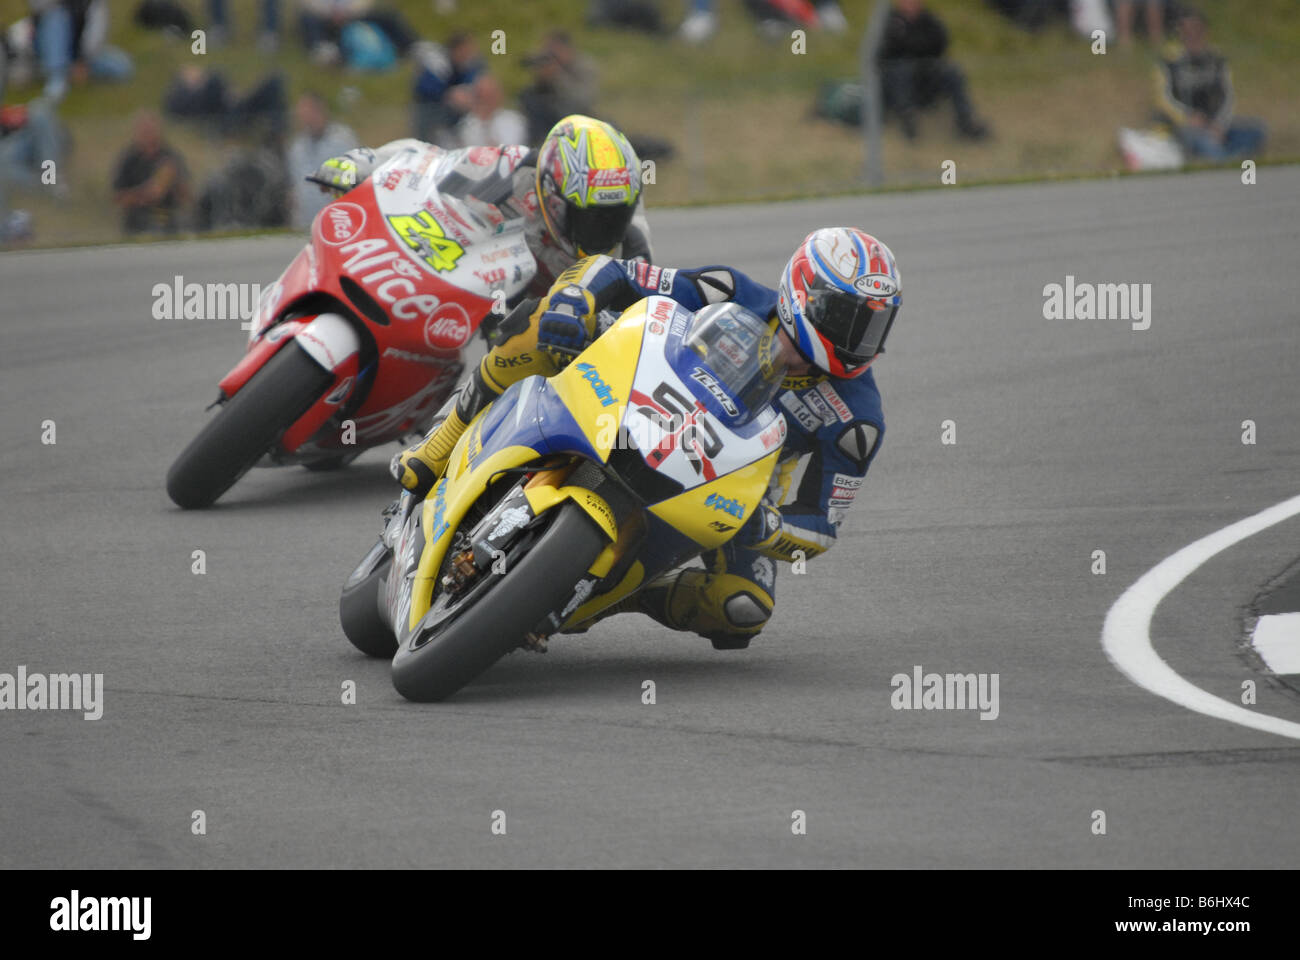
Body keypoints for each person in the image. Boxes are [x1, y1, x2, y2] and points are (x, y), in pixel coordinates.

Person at [393, 226, 897, 648]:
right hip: (642, 403)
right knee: (539, 322)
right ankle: (438, 445)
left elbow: (822, 527)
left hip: (731, 491)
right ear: (803, 294)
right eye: (848, 319)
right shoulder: (729, 290)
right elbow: (619, 272)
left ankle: (618, 593)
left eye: (874, 325)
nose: (860, 342)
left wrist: (768, 527)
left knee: (743, 607)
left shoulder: (858, 421)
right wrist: (577, 296)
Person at [1153, 9, 1265, 162]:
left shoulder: (1217, 59)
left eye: (1196, 30)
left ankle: (1225, 155)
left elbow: (1228, 96)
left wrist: (1219, 125)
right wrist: (1188, 117)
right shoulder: (1170, 61)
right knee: (1198, 139)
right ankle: (1224, 157)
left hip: (1215, 124)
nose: (1192, 35)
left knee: (1257, 129)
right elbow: (1164, 99)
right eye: (1186, 31)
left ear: (1205, 32)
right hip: (1186, 125)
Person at [879, 0, 987, 141]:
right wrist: (916, 47)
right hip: (897, 80)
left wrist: (911, 46)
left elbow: (941, 43)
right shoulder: (889, 22)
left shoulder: (929, 20)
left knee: (952, 71)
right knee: (901, 70)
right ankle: (907, 121)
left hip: (926, 77)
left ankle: (965, 122)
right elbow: (885, 52)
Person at [111, 109, 190, 235]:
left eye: (151, 130)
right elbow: (117, 197)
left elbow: (186, 196)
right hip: (136, 222)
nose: (148, 135)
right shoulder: (128, 159)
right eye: (144, 131)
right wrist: (146, 193)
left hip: (168, 219)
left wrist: (172, 183)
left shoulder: (171, 156)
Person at [287, 92, 358, 230]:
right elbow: (295, 185)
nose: (304, 116)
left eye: (308, 111)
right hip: (304, 224)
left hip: (337, 223)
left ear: (320, 110)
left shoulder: (342, 141)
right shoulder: (297, 147)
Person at [410, 31, 481, 144]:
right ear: (457, 49)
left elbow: (473, 81)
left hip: (456, 109)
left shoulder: (469, 64)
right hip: (429, 107)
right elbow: (426, 88)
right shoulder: (437, 62)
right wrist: (450, 94)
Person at [454, 73, 526, 148]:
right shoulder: (468, 124)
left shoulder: (512, 120)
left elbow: (509, 152)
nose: (485, 101)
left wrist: (487, 124)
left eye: (489, 96)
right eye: (480, 96)